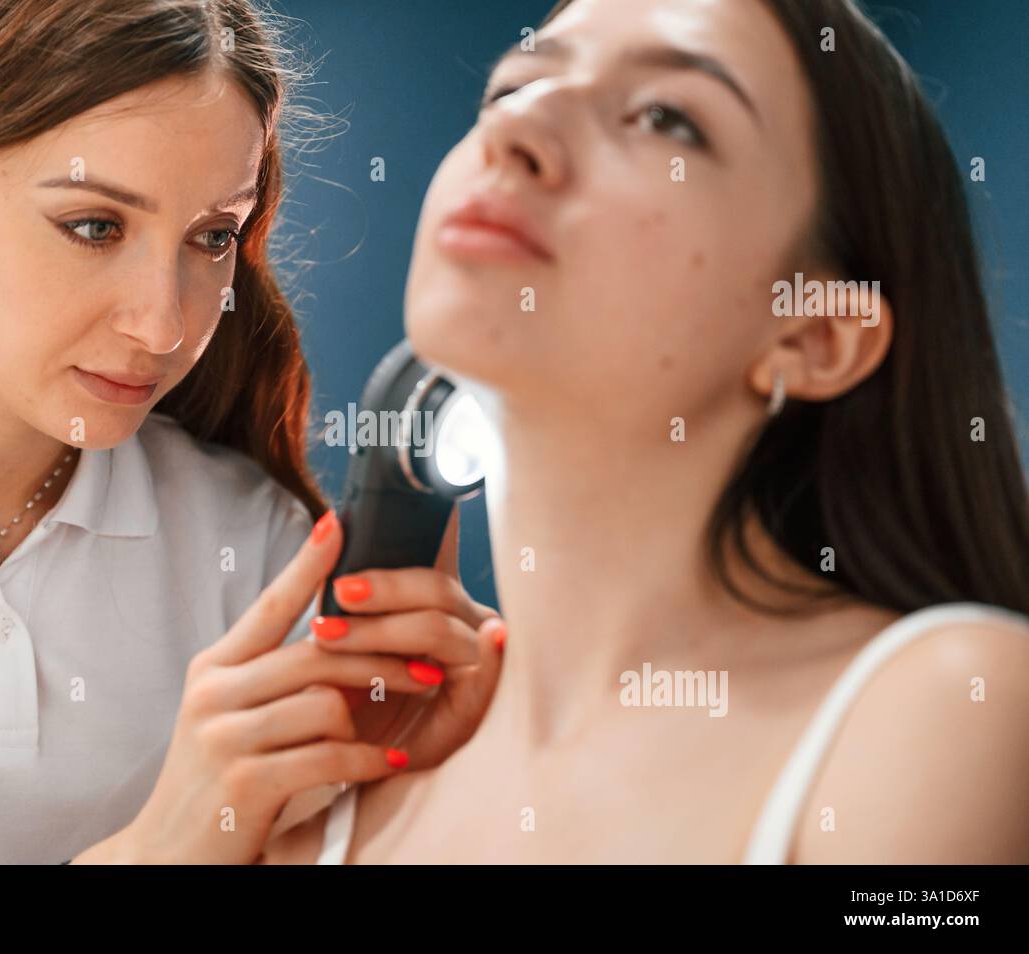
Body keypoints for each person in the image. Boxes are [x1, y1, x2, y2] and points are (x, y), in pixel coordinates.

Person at [0, 0, 505, 864]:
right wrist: (157, 849)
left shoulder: (253, 548)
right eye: (94, 227)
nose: (163, 326)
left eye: (213, 236)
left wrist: (424, 791)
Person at [260, 0, 1029, 864]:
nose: (517, 128)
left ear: (814, 335)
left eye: (667, 118)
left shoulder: (945, 714)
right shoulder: (319, 792)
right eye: (514, 85)